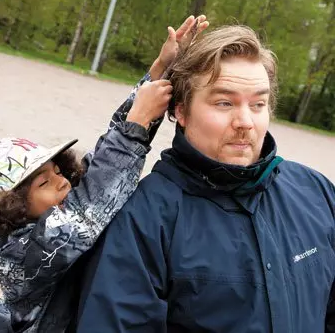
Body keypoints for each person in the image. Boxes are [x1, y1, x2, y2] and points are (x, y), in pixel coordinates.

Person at [75, 25, 335, 333]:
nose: (245, 122)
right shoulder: (145, 218)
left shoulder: (315, 192)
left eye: (258, 104)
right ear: (181, 112)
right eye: (224, 103)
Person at [0, 16, 209, 333]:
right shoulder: (23, 255)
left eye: (56, 170)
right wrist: (136, 123)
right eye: (44, 182)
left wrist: (160, 68)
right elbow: (93, 203)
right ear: (15, 210)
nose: (62, 180)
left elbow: (104, 157)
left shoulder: (54, 206)